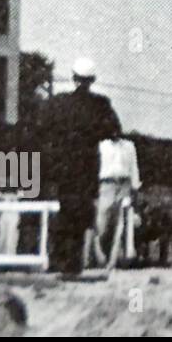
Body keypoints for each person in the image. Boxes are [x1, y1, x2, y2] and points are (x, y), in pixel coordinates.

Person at [37, 57, 122, 275]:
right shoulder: (100, 104)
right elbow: (114, 132)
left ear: (73, 77)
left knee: (64, 211)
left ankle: (59, 259)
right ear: (92, 79)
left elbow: (42, 127)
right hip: (87, 165)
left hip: (62, 164)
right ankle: (74, 263)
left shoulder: (58, 102)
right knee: (82, 213)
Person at [93, 130, 140, 269]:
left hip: (123, 184)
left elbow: (134, 168)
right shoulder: (101, 145)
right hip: (106, 185)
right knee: (102, 225)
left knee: (119, 225)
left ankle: (112, 262)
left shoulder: (129, 146)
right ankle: (100, 255)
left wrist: (134, 188)